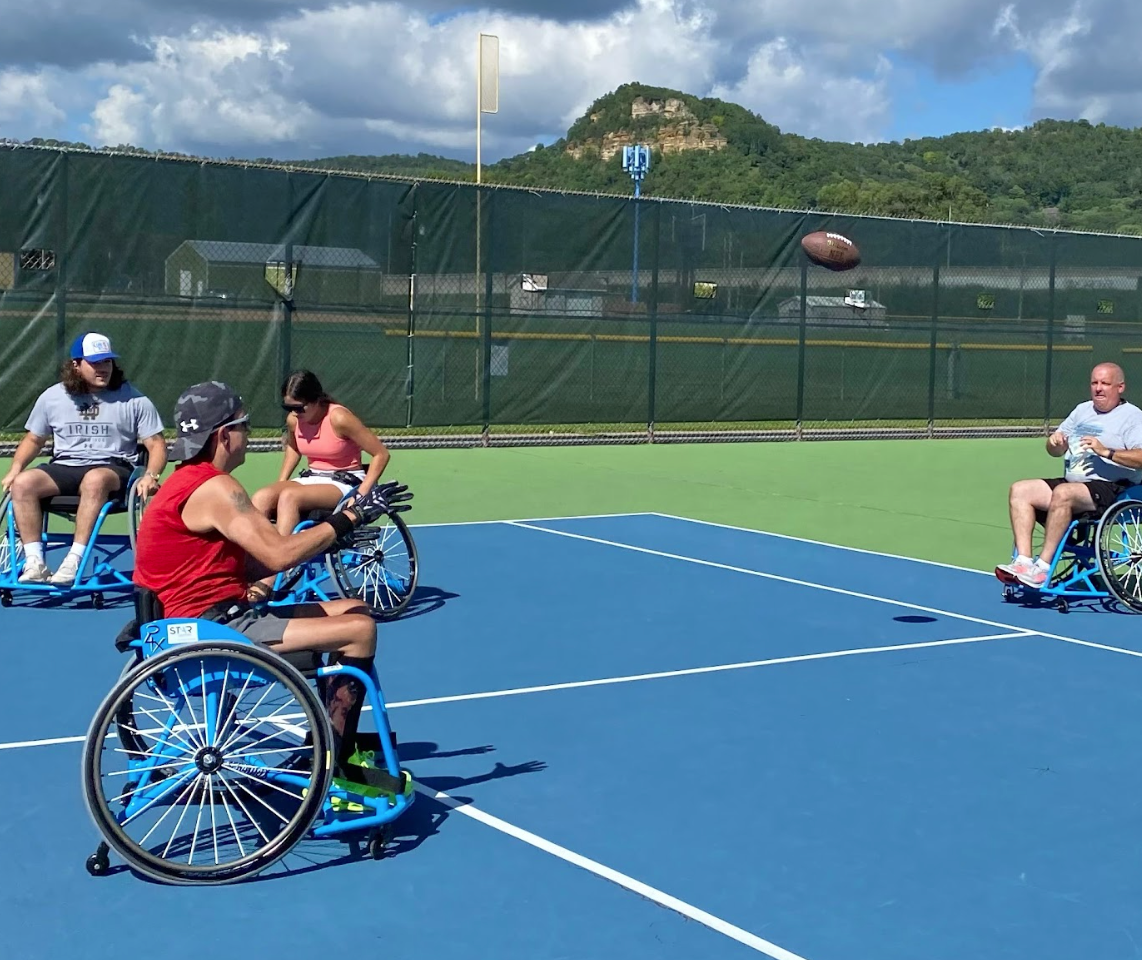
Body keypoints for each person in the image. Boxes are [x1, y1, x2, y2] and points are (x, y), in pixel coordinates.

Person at [132, 381, 411, 774]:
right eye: (244, 426)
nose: (248, 435)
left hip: (189, 619)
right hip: (212, 628)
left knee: (353, 607)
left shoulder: (186, 480)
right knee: (361, 631)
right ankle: (330, 756)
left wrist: (323, 540)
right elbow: (279, 554)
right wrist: (350, 517)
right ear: (225, 435)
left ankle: (326, 739)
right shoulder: (217, 488)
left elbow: (241, 565)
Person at [1, 332, 166, 585]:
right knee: (23, 483)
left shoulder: (134, 398)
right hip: (66, 466)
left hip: (114, 468)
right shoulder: (52, 397)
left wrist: (150, 475)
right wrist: (15, 469)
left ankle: (73, 560)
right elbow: (34, 440)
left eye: (107, 362)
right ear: (76, 365)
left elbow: (156, 444)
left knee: (94, 479)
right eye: (96, 363)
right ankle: (35, 563)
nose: (103, 369)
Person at [997, 361, 1142, 588]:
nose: (1098, 388)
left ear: (1120, 387)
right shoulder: (1082, 410)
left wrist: (1106, 451)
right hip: (1074, 482)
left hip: (1113, 487)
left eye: (1105, 383)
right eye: (1094, 383)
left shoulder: (1132, 417)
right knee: (1021, 490)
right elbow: (1054, 450)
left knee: (1064, 493)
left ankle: (1042, 569)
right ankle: (1024, 562)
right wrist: (1055, 443)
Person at [252, 370, 391, 535]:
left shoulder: (339, 418)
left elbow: (381, 454)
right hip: (311, 478)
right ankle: (256, 556)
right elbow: (294, 448)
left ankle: (283, 556)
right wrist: (281, 482)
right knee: (262, 497)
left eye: (298, 407)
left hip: (344, 482)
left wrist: (361, 494)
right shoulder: (294, 420)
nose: (294, 412)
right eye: (288, 407)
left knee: (290, 497)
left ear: (316, 400)